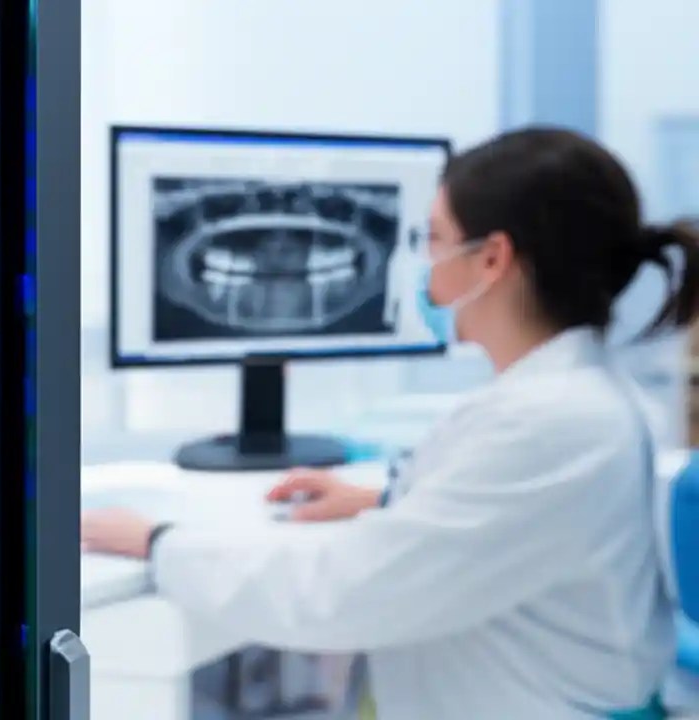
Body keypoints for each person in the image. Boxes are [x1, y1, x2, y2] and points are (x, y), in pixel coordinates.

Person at [82, 127, 699, 719]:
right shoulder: (567, 402)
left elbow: (341, 593)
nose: (421, 261)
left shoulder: (553, 423)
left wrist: (159, 544)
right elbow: (496, 521)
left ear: (491, 259)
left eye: (432, 237)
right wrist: (382, 497)